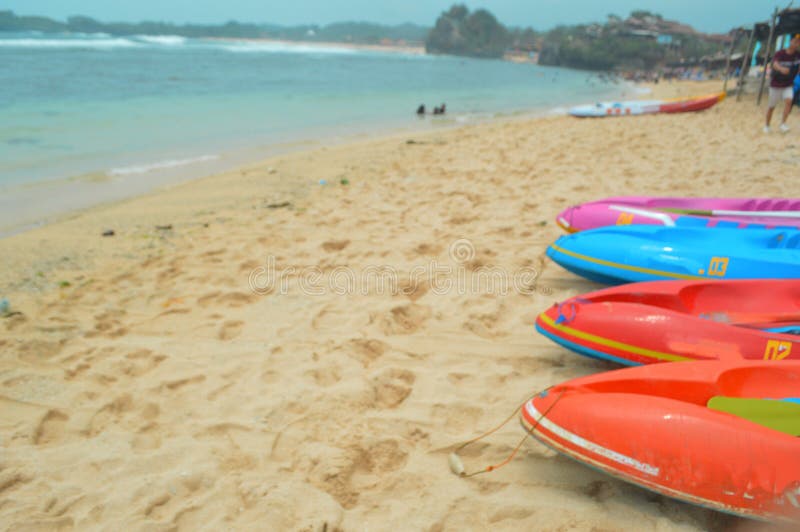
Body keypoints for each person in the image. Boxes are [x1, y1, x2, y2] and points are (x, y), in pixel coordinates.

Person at [764, 33, 800, 133]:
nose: (797, 44)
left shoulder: (797, 55)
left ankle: (783, 124)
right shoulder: (780, 53)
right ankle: (767, 125)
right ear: (790, 41)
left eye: (798, 42)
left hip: (788, 85)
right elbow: (775, 64)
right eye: (795, 41)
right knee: (771, 107)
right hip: (776, 84)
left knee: (789, 102)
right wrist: (781, 69)